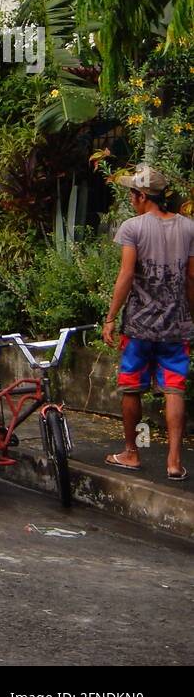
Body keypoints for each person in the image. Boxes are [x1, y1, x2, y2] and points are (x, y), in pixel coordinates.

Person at [102, 166, 194, 481]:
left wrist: (111, 316)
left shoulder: (133, 228)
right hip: (176, 326)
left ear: (143, 196)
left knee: (131, 389)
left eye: (132, 194)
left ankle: (131, 452)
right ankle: (173, 462)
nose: (130, 199)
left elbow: (126, 275)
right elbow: (191, 279)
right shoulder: (188, 228)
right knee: (174, 389)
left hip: (139, 326)